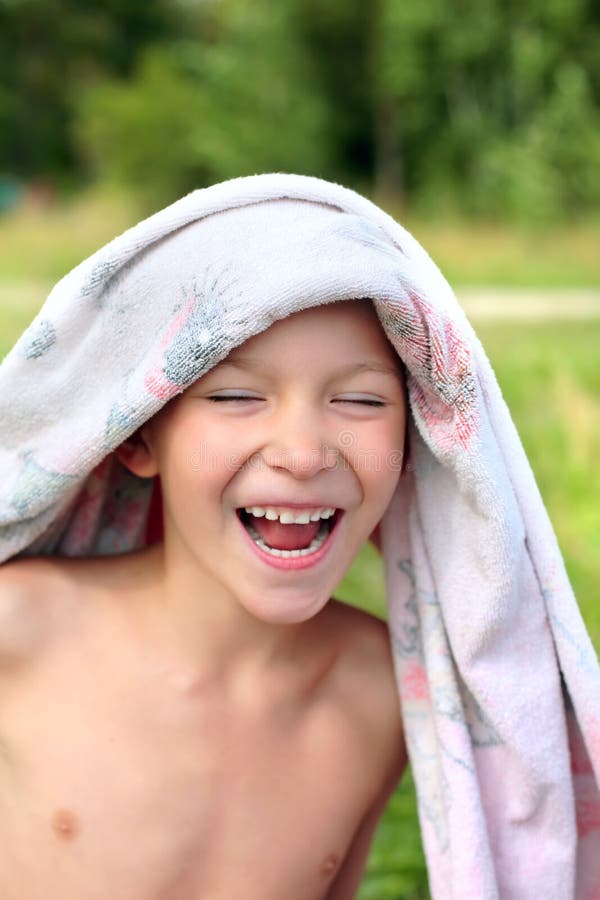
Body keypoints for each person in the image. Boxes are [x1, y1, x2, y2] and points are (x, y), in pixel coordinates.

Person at [0, 175, 598, 899]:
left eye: (359, 400)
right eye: (236, 396)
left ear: (417, 445)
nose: (304, 452)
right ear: (135, 436)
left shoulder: (379, 692)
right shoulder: (20, 631)